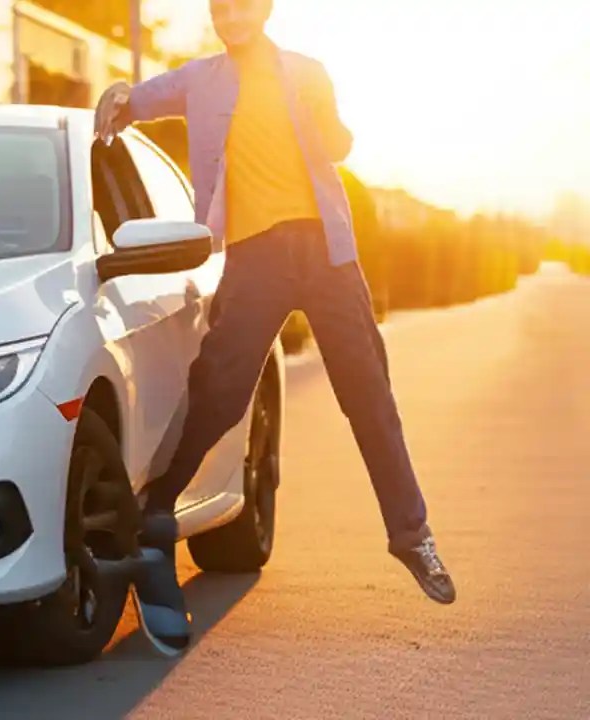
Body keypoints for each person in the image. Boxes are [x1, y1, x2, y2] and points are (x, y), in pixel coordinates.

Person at [95, 0, 455, 657]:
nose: (230, 16)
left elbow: (340, 142)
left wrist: (329, 125)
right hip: (254, 256)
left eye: (241, 6)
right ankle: (157, 508)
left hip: (327, 253)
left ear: (263, 10)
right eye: (219, 8)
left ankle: (411, 535)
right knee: (220, 393)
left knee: (369, 396)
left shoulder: (306, 70)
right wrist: (118, 96)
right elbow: (139, 100)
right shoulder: (198, 80)